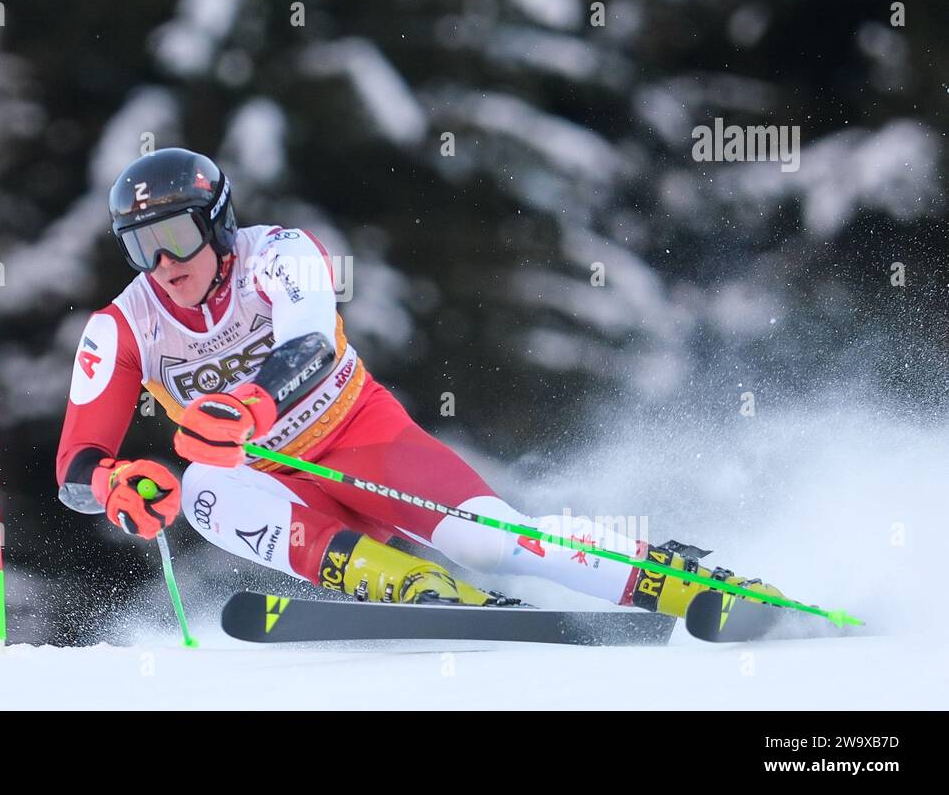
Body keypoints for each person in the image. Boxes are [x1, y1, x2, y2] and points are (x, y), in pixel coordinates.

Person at [56, 147, 781, 613]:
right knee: (204, 490)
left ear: (216, 226)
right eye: (141, 248)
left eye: (178, 237)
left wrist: (248, 402)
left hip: (359, 438)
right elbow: (75, 466)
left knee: (493, 544)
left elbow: (307, 345)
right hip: (273, 482)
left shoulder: (280, 253)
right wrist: (114, 486)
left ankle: (678, 582)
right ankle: (409, 586)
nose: (164, 264)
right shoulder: (121, 327)